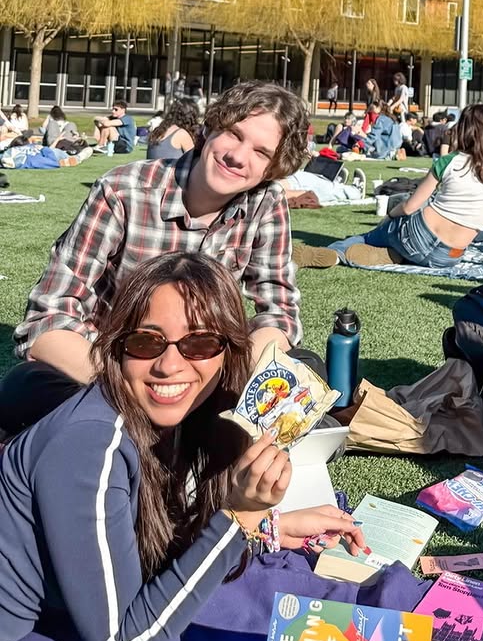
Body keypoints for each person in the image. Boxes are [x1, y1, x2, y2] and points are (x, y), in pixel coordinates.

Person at [0, 254, 363, 641]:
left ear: (229, 352)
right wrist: (239, 518)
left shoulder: (172, 420)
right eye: (146, 342)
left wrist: (268, 528)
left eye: (200, 343)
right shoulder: (90, 443)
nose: (170, 365)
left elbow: (155, 540)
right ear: (117, 345)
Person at [0, 81, 309, 435]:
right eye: (233, 135)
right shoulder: (123, 190)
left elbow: (279, 313)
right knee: (26, 387)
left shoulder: (266, 203)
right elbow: (45, 321)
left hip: (204, 371)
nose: (238, 156)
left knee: (304, 367)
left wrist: (234, 377)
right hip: (117, 368)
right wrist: (131, 384)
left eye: (261, 152)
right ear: (208, 129)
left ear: (272, 169)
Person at [331, 104, 483, 274]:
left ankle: (334, 253)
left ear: (464, 130)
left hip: (416, 237)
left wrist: (390, 216)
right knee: (421, 210)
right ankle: (393, 254)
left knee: (373, 235)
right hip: (449, 256)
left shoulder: (448, 161)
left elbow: (409, 208)